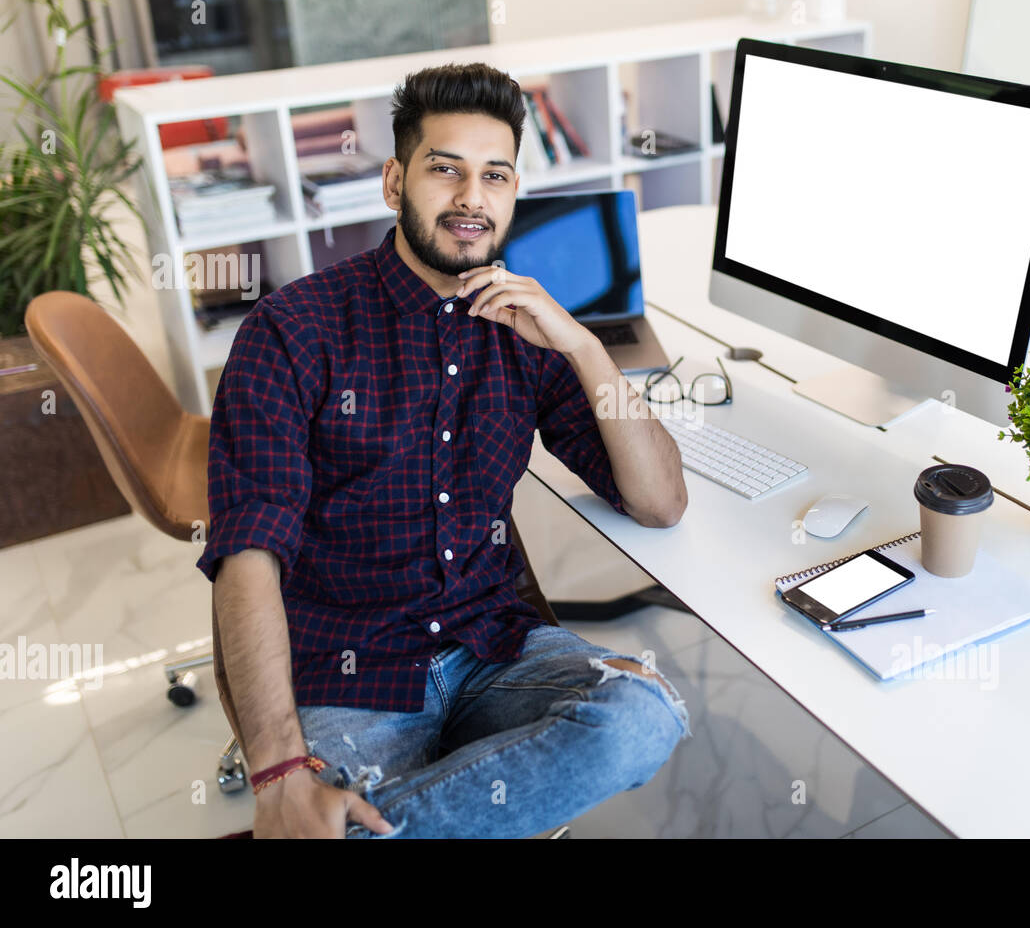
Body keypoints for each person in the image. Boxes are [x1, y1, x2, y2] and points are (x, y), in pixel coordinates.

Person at [198, 62, 691, 838]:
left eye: (494, 175)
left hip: (492, 648)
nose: (471, 198)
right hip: (345, 671)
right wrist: (281, 772)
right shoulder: (293, 331)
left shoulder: (525, 329)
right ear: (394, 182)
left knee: (644, 715)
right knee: (319, 806)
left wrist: (584, 346)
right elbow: (247, 556)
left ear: (514, 191)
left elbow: (659, 502)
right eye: (445, 170)